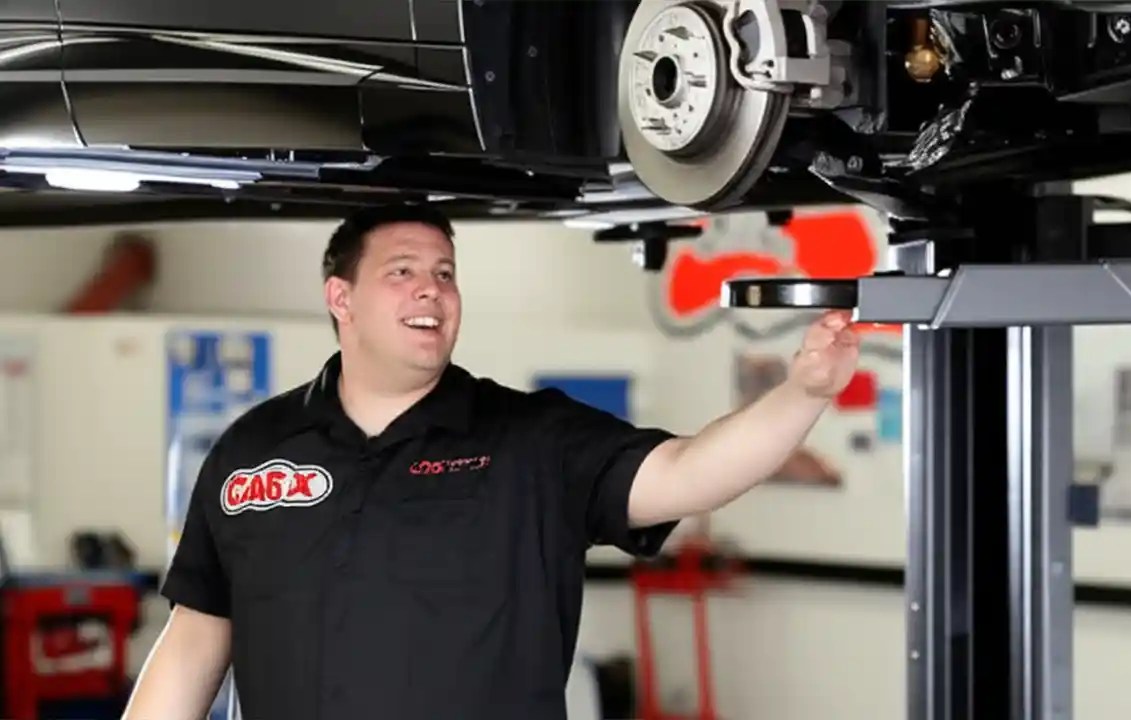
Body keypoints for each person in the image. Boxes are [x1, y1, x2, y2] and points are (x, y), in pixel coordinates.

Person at [122, 203, 862, 720]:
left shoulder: (530, 439)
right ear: (340, 298)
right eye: (403, 271)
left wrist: (803, 393)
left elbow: (688, 473)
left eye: (445, 273)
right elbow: (194, 641)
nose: (432, 289)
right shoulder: (254, 449)